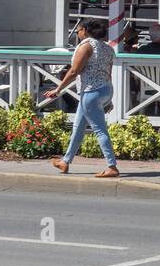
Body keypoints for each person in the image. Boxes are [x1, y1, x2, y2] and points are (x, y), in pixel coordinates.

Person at [47, 19, 120, 178]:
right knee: (78, 127)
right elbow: (108, 72)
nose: (78, 33)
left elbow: (74, 71)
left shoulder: (86, 46)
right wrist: (108, 99)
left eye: (79, 30)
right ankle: (65, 161)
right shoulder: (108, 49)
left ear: (85, 30)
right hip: (105, 89)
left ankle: (112, 166)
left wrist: (58, 89)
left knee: (100, 130)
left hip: (90, 92)